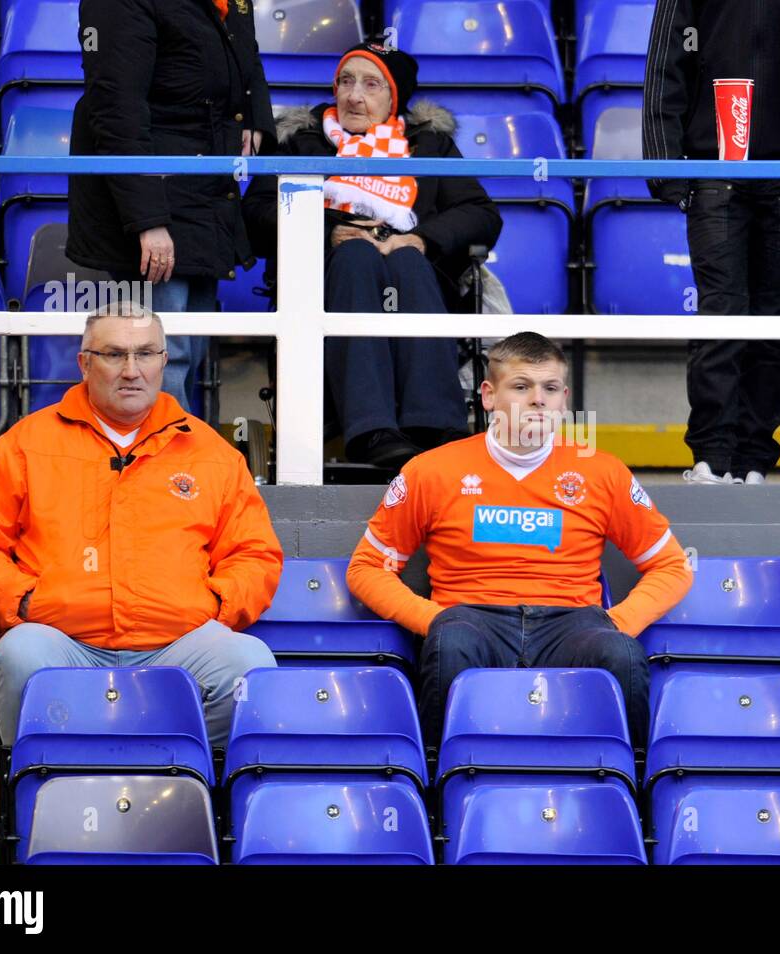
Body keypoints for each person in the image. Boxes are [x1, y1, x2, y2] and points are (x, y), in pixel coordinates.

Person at [0, 303, 283, 748]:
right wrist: (21, 601)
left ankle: (179, 779)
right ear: (84, 363)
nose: (131, 370)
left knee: (249, 662)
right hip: (64, 641)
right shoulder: (26, 443)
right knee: (21, 651)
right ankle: (39, 788)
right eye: (114, 354)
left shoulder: (211, 453)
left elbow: (254, 554)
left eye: (145, 354)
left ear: (164, 361)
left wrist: (214, 605)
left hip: (178, 643)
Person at [346, 332, 693, 748]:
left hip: (571, 623)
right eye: (522, 387)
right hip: (471, 619)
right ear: (489, 396)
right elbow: (366, 568)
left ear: (564, 399)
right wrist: (431, 618)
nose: (538, 401)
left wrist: (619, 621)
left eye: (549, 389)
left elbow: (673, 565)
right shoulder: (432, 470)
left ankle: (627, 792)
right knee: (450, 644)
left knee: (620, 654)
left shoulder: (602, 471)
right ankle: (440, 791)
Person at [243, 43, 503, 470]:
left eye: (370, 84)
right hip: (326, 278)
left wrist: (421, 239)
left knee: (406, 261)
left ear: (393, 98)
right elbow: (254, 212)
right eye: (345, 82)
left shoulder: (427, 144)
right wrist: (327, 231)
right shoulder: (302, 141)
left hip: (414, 274)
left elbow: (481, 214)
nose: (353, 96)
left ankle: (434, 425)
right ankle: (371, 430)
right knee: (358, 257)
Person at [644, 0, 780, 486]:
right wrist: (665, 167)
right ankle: (711, 456)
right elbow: (666, 61)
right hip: (715, 175)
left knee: (773, 329)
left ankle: (753, 460)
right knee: (721, 315)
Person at [67, 0, 275, 413]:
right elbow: (116, 109)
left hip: (208, 196)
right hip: (150, 200)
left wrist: (256, 117)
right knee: (164, 352)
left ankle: (182, 460)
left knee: (190, 347)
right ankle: (163, 464)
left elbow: (246, 55)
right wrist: (147, 220)